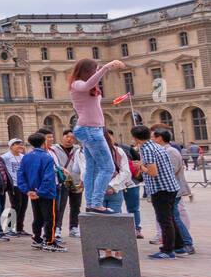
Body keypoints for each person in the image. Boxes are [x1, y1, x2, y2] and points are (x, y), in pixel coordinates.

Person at [68, 57, 125, 215]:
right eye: (94, 69)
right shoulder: (77, 84)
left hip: (94, 129)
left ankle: (91, 204)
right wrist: (106, 67)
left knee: (93, 168)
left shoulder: (86, 87)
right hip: (89, 129)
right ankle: (96, 203)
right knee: (107, 167)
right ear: (87, 70)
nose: (96, 71)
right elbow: (88, 84)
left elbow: (91, 85)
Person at [134, 124, 181, 259]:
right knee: (170, 218)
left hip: (160, 188)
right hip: (170, 186)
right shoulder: (157, 146)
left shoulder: (147, 149)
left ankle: (167, 250)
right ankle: (179, 246)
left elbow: (153, 172)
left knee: (164, 220)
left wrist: (141, 167)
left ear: (136, 138)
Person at [154, 128, 194, 254]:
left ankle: (187, 243)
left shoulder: (171, 151)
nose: (152, 140)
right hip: (170, 188)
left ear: (160, 138)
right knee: (172, 217)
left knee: (174, 217)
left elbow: (169, 171)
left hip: (172, 189)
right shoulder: (165, 151)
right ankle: (181, 244)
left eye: (153, 137)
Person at [50, 128, 84, 238]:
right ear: (62, 136)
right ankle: (57, 228)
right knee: (60, 206)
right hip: (62, 180)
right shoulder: (54, 149)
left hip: (76, 180)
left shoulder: (78, 149)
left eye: (73, 138)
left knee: (76, 206)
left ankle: (73, 227)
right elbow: (52, 162)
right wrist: (60, 169)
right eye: (67, 137)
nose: (69, 140)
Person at [1, 139, 28, 236]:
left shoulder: (23, 157)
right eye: (17, 145)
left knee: (23, 206)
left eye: (21, 145)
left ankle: (20, 228)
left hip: (23, 184)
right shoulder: (5, 157)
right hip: (13, 185)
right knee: (16, 206)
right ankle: (8, 228)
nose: (20, 146)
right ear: (11, 146)